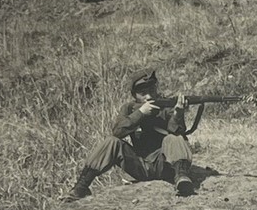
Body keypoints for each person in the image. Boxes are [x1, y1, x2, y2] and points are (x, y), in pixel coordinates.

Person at [64, 69, 195, 201]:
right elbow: (117, 132)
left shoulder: (166, 106)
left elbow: (179, 133)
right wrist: (140, 113)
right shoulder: (128, 108)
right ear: (134, 95)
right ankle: (81, 186)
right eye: (143, 93)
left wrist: (178, 114)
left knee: (174, 138)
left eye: (151, 91)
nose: (148, 97)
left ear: (156, 89)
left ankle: (182, 177)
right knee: (111, 141)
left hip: (165, 164)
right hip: (140, 165)